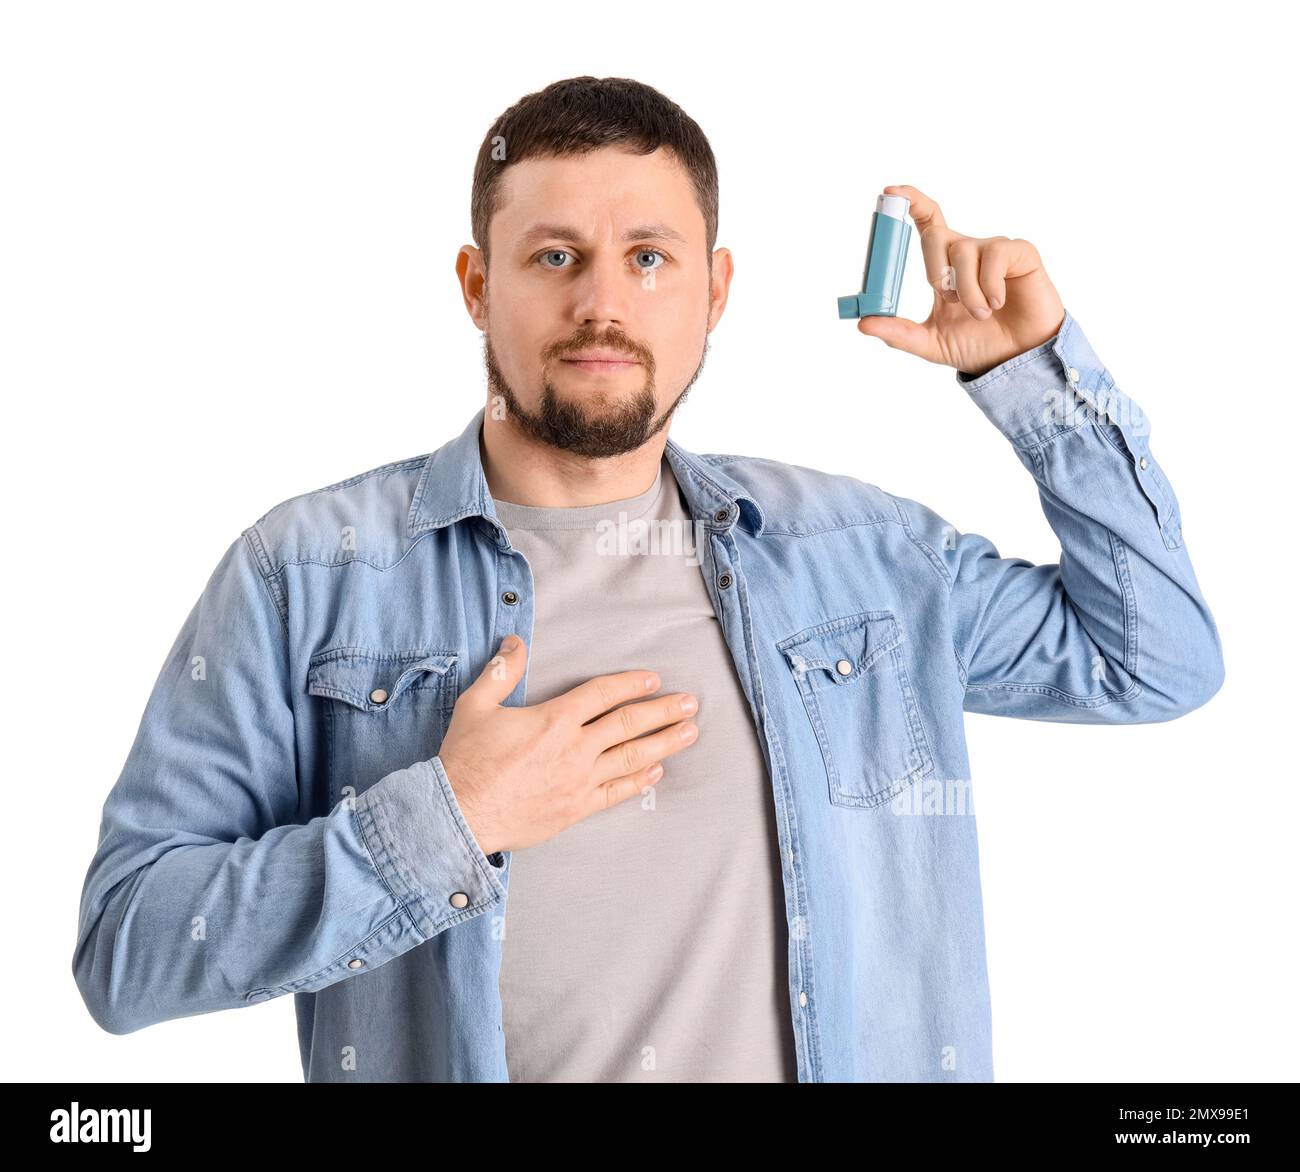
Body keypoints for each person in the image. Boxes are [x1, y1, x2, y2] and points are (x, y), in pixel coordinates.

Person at [72, 75, 1225, 1083]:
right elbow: (126, 950)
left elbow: (1156, 658)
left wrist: (1033, 377)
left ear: (715, 290)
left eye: (648, 259)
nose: (602, 305)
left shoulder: (860, 559)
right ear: (478, 284)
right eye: (555, 256)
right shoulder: (306, 574)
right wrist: (450, 818)